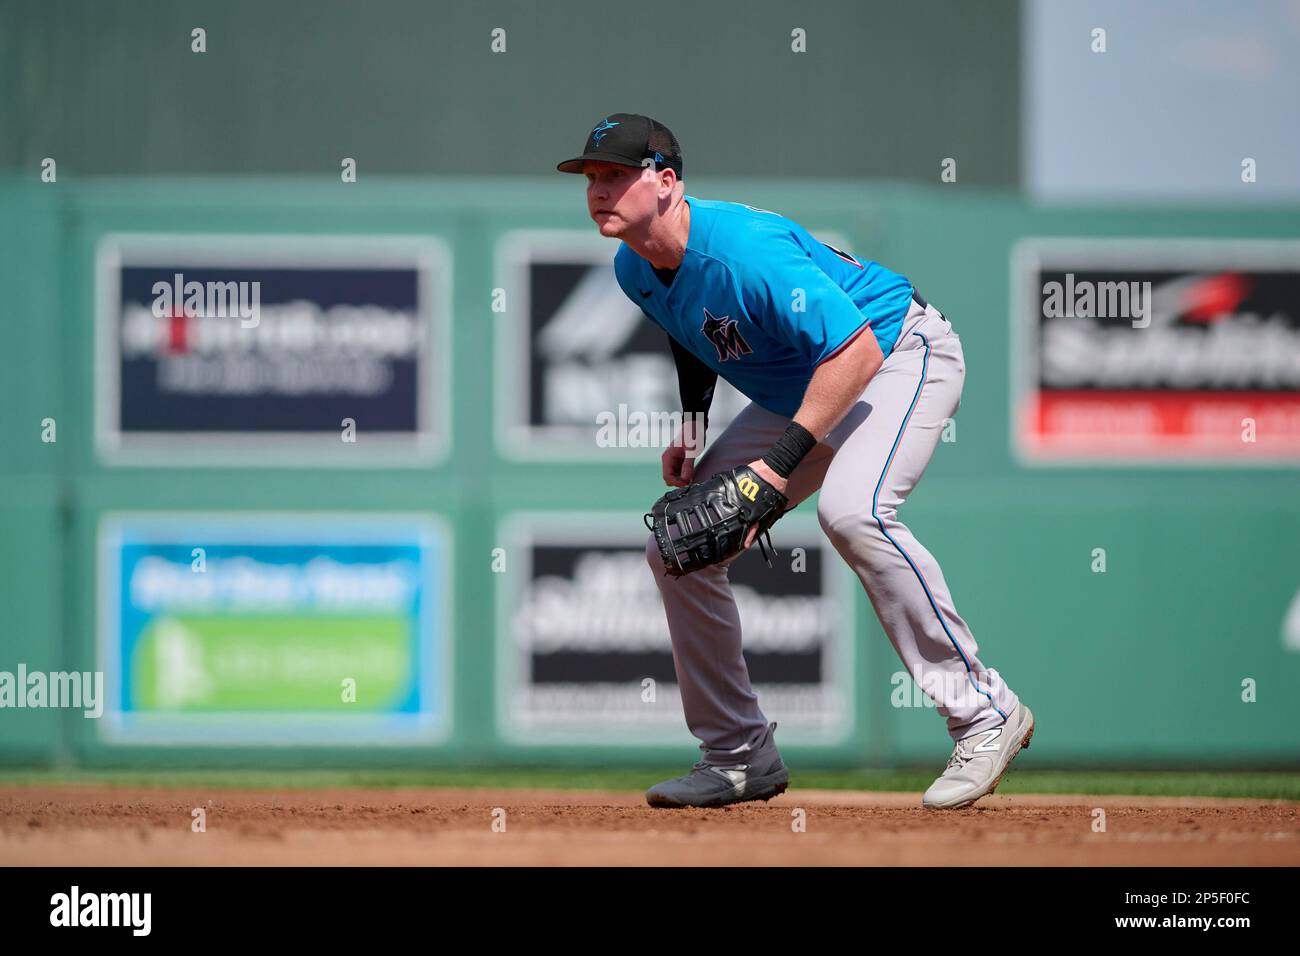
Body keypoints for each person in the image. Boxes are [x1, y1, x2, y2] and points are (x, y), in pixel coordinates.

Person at [556, 113, 1033, 810]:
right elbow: (693, 333)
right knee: (677, 548)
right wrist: (693, 430)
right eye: (592, 178)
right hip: (808, 387)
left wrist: (776, 468)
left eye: (617, 175)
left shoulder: (743, 251)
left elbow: (856, 352)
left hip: (896, 353)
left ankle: (983, 711)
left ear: (665, 182)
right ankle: (738, 754)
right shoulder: (635, 266)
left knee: (854, 511)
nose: (599, 190)